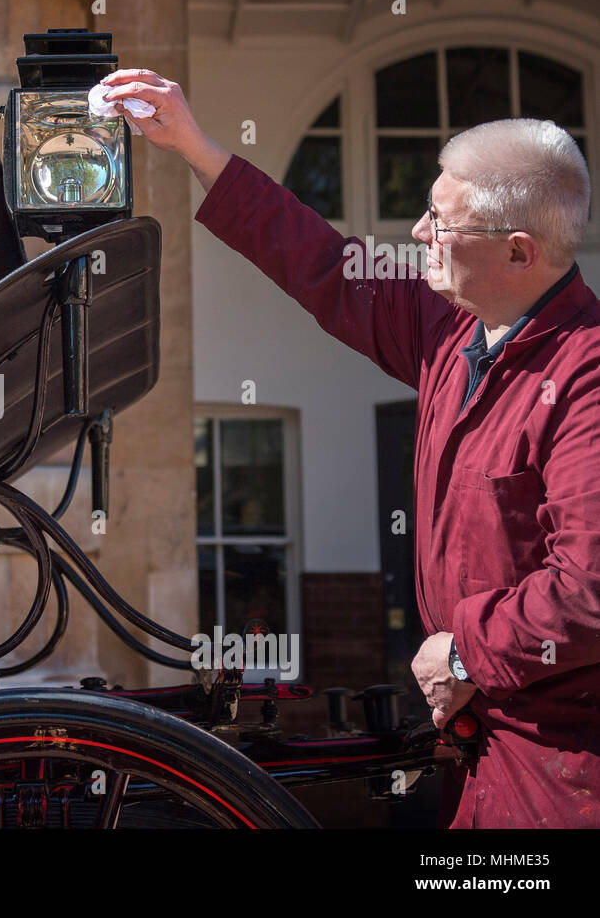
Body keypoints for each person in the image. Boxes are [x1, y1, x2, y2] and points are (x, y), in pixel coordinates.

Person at [98, 68, 600, 828]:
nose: (419, 234)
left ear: (520, 254)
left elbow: (589, 591)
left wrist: (461, 650)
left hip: (560, 775)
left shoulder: (587, 377)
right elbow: (329, 267)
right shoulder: (453, 329)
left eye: (440, 220)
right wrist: (193, 147)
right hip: (478, 753)